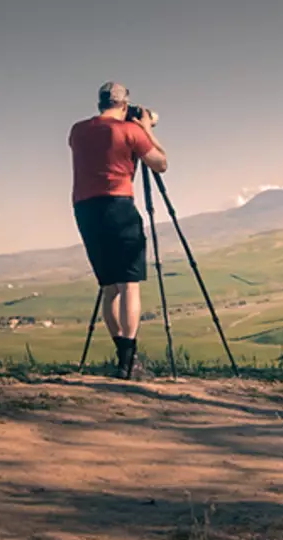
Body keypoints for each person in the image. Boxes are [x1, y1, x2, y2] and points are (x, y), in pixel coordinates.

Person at [69, 81, 168, 379]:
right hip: (118, 206)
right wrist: (147, 127)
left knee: (108, 286)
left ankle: (121, 356)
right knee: (129, 284)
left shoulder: (77, 131)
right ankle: (130, 361)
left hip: (86, 210)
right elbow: (160, 163)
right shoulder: (130, 131)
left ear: (99, 103)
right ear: (124, 105)